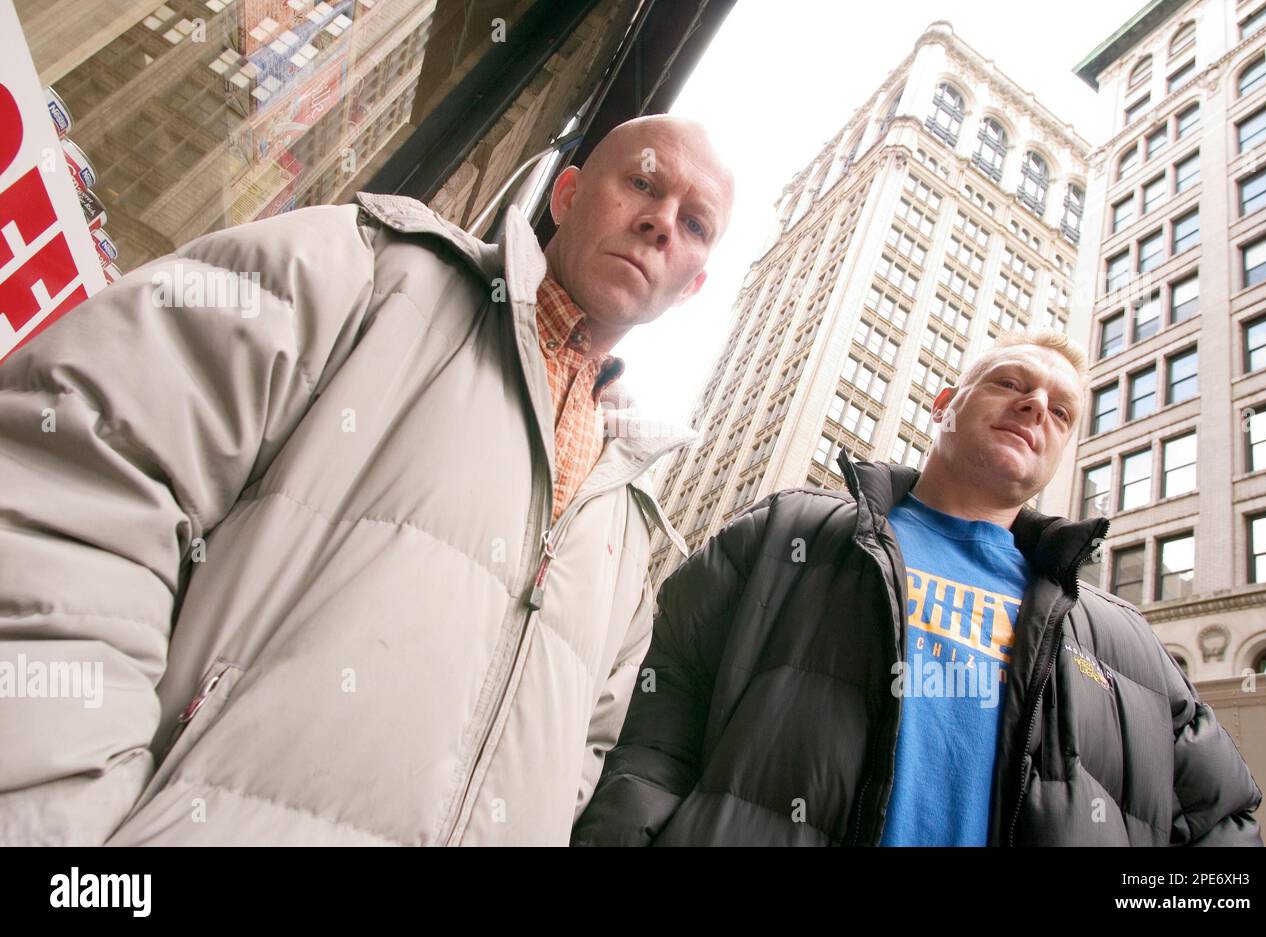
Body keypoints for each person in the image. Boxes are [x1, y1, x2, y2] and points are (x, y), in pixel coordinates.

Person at [0, 115, 734, 845]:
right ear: (567, 195)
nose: (662, 223)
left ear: (693, 285)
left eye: (695, 223)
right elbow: (79, 463)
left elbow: (580, 759)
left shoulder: (633, 532)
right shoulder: (368, 271)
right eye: (643, 182)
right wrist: (64, 838)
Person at [571, 330, 1264, 846]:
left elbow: (1223, 822)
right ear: (945, 402)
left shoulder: (1122, 644)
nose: (1034, 407)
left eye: (1060, 412)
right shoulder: (788, 534)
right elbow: (648, 715)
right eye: (1011, 383)